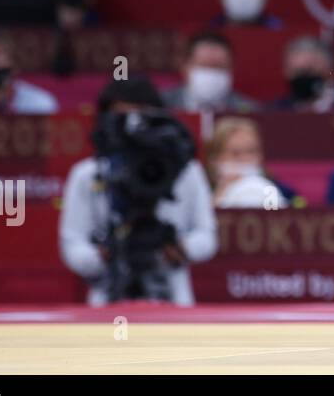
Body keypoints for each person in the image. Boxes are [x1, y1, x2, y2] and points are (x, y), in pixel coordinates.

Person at [58, 78, 217, 305]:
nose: (132, 128)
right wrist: (101, 256)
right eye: (122, 117)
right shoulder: (88, 174)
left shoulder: (186, 170)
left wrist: (182, 249)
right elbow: (72, 244)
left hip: (173, 299)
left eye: (140, 116)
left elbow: (207, 235)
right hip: (107, 301)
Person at [205, 116, 297, 209]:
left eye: (251, 151)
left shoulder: (282, 190)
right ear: (215, 160)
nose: (245, 159)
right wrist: (220, 194)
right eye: (235, 153)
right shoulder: (203, 189)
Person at [270, 35, 334, 112]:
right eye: (297, 71)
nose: (304, 78)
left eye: (310, 70)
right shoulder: (276, 110)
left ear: (331, 70)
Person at [162, 32, 258, 113]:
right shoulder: (161, 105)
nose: (211, 74)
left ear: (231, 69)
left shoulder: (251, 111)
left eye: (219, 67)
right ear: (185, 67)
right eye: (204, 66)